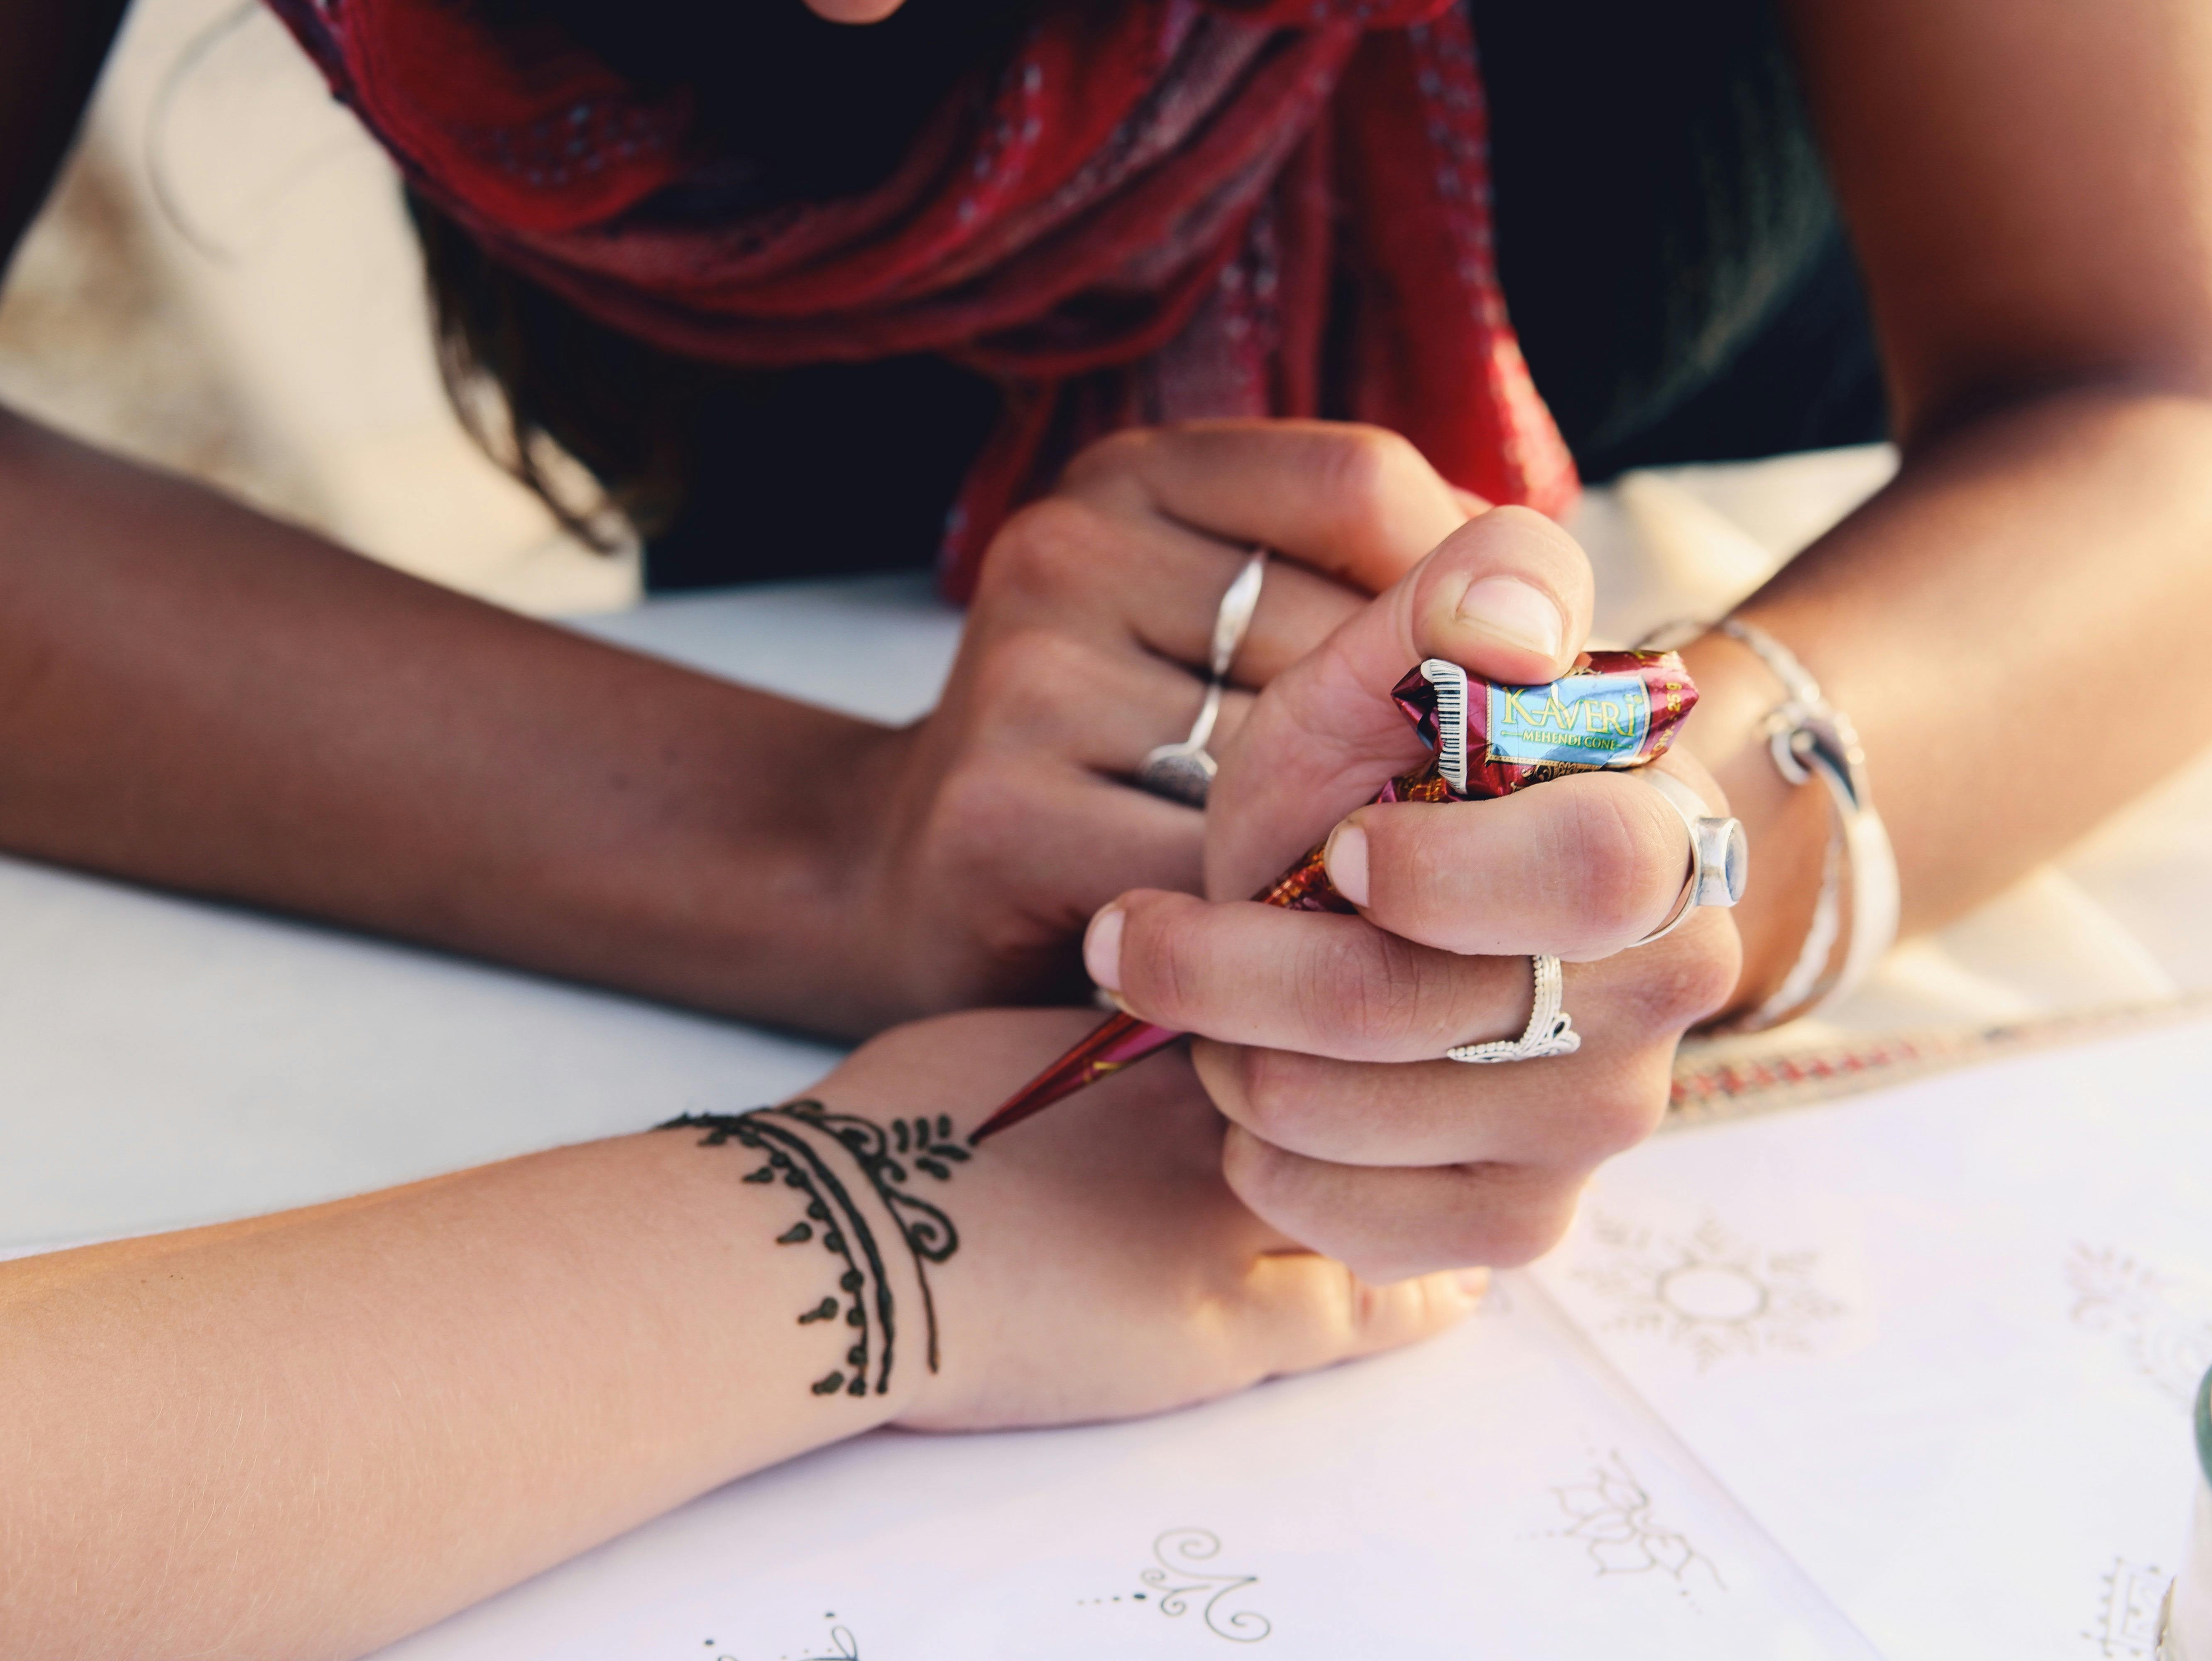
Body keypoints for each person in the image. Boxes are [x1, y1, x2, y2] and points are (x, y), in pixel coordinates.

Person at [2, 0, 2211, 1387]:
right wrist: (813, 845)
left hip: (1841, 569)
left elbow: (2161, 403)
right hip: (776, 665)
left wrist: (1660, 837)